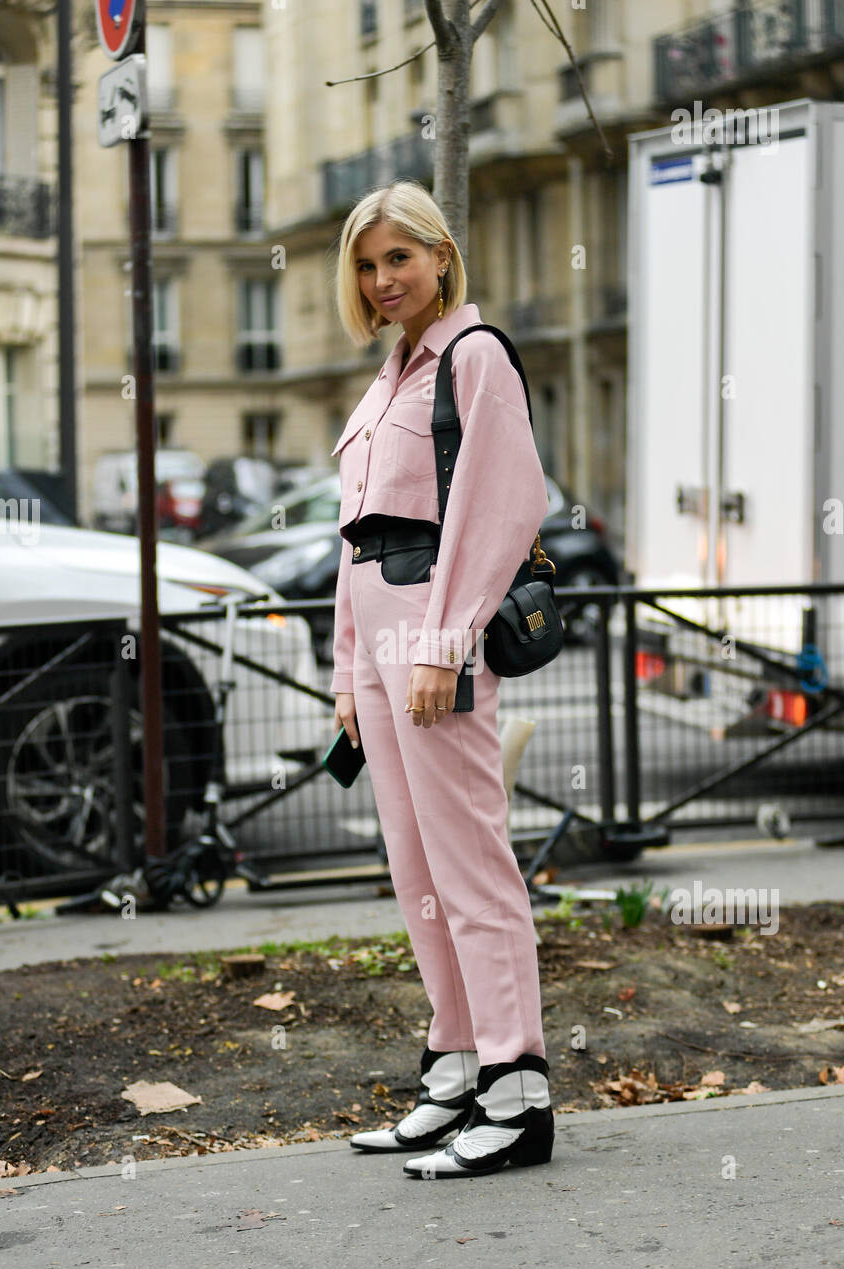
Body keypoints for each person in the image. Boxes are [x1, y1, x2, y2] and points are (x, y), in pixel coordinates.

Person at [329, 179, 553, 1178]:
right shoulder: (387, 378)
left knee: (470, 868)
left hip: (430, 634)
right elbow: (351, 542)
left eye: (399, 259)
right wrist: (346, 670)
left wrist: (443, 641)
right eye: (367, 264)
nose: (383, 279)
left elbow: (503, 506)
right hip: (376, 645)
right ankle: (454, 1069)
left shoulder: (472, 357)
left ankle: (516, 1088)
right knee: (416, 873)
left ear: (441, 256)